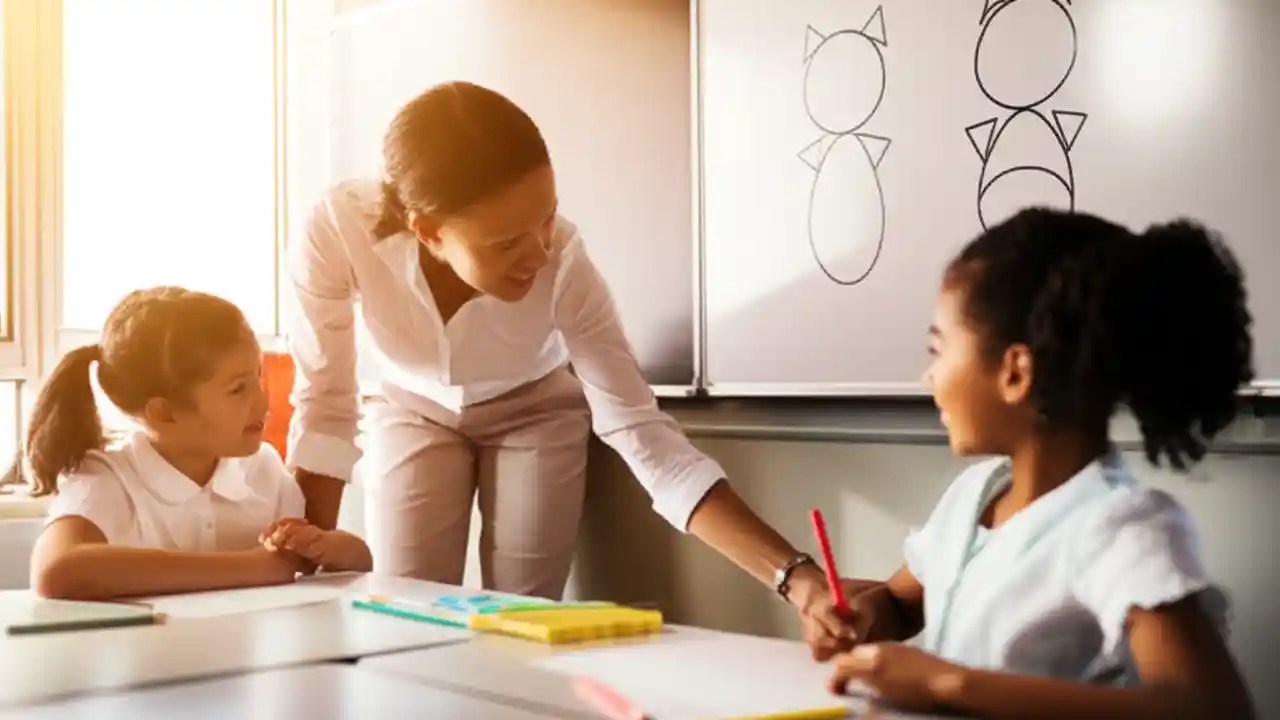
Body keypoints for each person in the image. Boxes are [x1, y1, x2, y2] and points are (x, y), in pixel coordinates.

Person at [285, 80, 841, 628]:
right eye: (505, 243)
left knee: (523, 622)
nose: (540, 251)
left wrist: (795, 577)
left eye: (547, 217)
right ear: (429, 232)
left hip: (535, 409)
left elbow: (647, 438)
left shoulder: (566, 264)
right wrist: (298, 580)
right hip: (411, 405)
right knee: (407, 614)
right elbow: (326, 405)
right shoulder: (337, 229)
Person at [820, 209, 1255, 718]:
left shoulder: (1121, 528)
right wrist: (867, 615)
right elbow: (899, 601)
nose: (928, 377)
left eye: (938, 350)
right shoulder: (973, 496)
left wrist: (948, 684)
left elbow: (1209, 706)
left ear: (1015, 373)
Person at [27, 287, 370, 601]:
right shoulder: (107, 476)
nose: (263, 403)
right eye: (238, 389)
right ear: (164, 413)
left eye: (258, 377)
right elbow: (57, 571)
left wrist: (335, 549)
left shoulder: (264, 469)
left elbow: (313, 568)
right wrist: (256, 566)